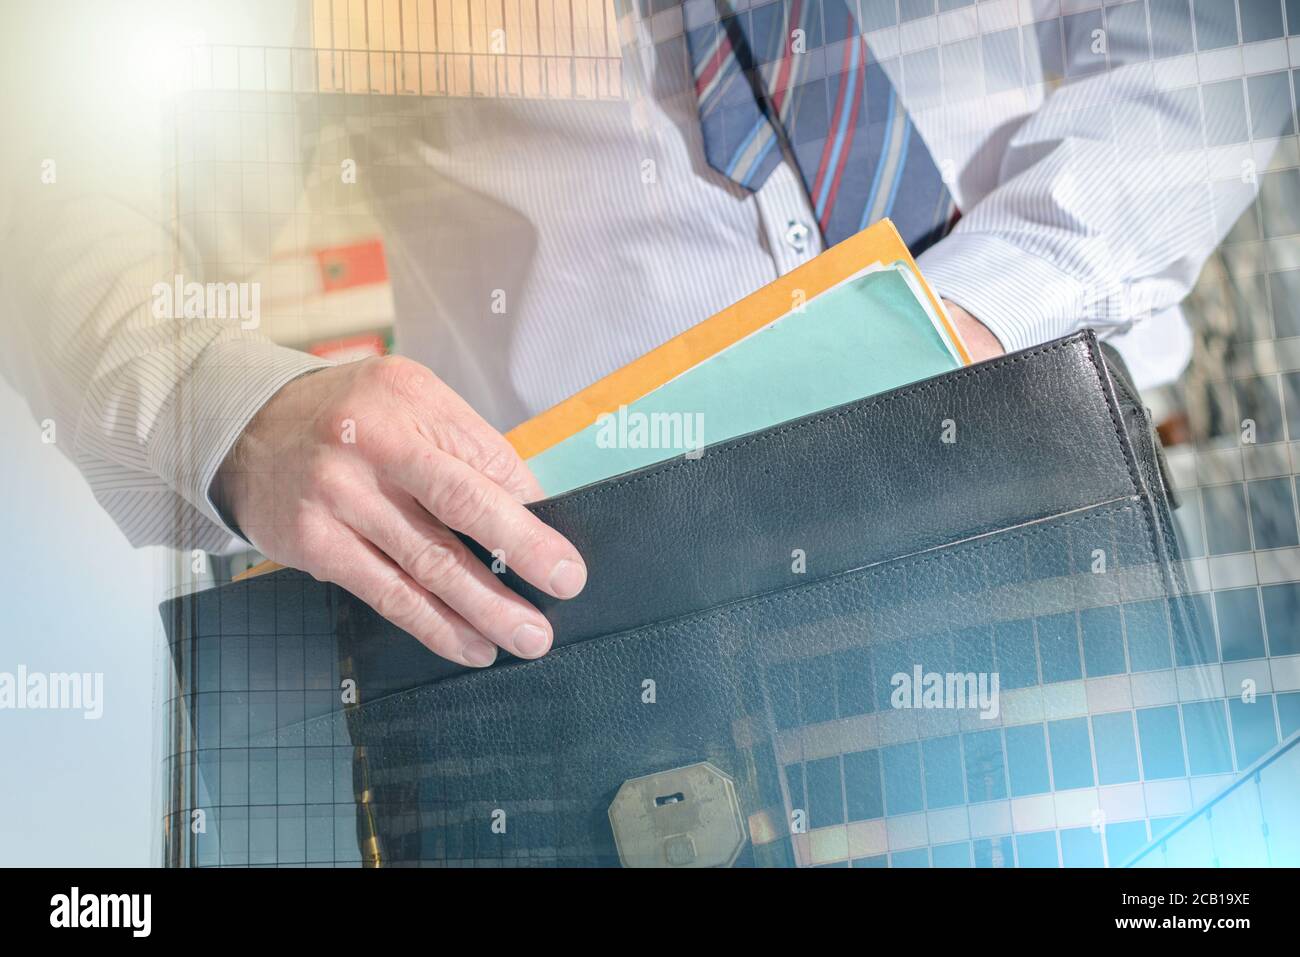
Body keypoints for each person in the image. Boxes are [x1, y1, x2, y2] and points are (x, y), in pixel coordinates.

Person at [1, 0, 1285, 667]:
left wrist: (979, 310)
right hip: (608, 612)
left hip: (1068, 491)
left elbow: (1219, 43)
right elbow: (65, 204)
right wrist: (232, 411)